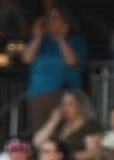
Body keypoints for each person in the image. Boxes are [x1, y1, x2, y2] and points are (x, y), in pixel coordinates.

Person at [22, 6, 86, 136]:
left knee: (63, 133)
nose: (50, 22)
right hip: (38, 93)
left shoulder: (76, 41)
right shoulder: (41, 41)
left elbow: (72, 61)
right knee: (41, 134)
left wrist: (61, 39)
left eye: (55, 18)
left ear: (66, 22)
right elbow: (27, 59)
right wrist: (38, 36)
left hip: (63, 94)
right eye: (49, 18)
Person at [32, 90, 102, 160]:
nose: (65, 108)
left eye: (70, 104)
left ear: (81, 106)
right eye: (63, 104)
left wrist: (64, 157)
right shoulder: (59, 124)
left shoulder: (90, 126)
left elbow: (94, 153)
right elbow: (37, 143)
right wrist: (53, 121)